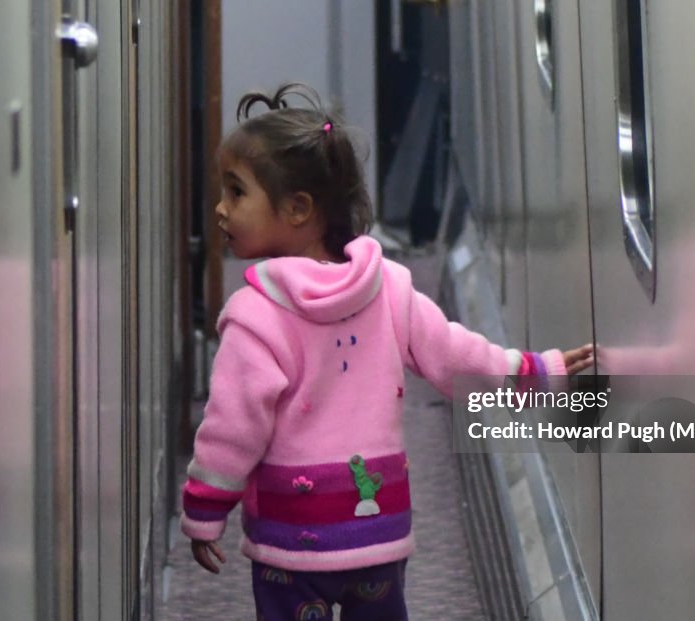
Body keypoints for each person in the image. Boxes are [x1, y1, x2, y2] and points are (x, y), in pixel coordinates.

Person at [180, 82, 594, 620]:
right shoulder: (390, 288)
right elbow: (456, 358)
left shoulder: (254, 314)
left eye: (236, 193)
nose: (220, 209)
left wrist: (205, 507)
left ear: (298, 208)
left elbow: (233, 424)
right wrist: (535, 370)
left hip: (291, 537)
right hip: (378, 524)